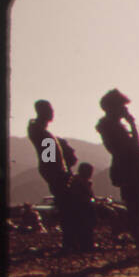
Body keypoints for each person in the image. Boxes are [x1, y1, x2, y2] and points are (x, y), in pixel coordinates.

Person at [95, 88, 139, 250]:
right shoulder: (111, 127)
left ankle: (138, 241)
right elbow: (132, 145)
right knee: (135, 205)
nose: (125, 110)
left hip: (126, 167)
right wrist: (132, 124)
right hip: (128, 169)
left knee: (134, 204)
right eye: (122, 106)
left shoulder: (109, 125)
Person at [28, 100, 77, 251]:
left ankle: (70, 242)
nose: (52, 113)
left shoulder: (41, 132)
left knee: (66, 208)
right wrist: (60, 173)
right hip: (57, 175)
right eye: (50, 110)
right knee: (66, 208)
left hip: (55, 174)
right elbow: (49, 159)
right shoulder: (43, 135)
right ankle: (69, 243)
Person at [65, 162, 97, 252]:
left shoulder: (82, 181)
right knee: (86, 226)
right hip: (81, 208)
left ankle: (86, 244)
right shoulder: (78, 182)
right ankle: (86, 245)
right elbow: (79, 197)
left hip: (83, 207)